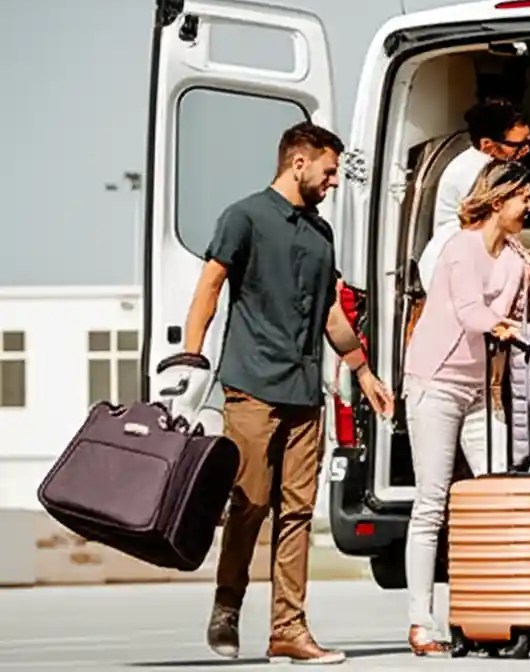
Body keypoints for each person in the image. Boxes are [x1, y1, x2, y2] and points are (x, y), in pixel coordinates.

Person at [155, 122, 396, 664]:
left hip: (304, 393)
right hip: (252, 389)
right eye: (330, 171)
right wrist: (193, 358)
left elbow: (331, 311)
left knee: (297, 514)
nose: (334, 181)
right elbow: (210, 287)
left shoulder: (320, 234)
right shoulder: (243, 216)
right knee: (250, 503)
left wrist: (362, 371)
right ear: (299, 163)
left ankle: (289, 628)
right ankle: (227, 605)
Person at [399, 159, 530, 654]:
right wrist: (506, 329)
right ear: (498, 202)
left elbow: (500, 316)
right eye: (524, 197)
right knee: (432, 501)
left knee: (497, 494)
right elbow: (470, 310)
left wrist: (510, 332)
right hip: (435, 382)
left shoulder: (517, 260)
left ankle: (491, 610)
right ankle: (421, 622)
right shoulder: (459, 249)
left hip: (479, 388)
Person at [416, 98, 530, 288]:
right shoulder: (478, 173)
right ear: (487, 145)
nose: (526, 150)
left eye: (528, 141)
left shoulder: (489, 165)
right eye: (517, 145)